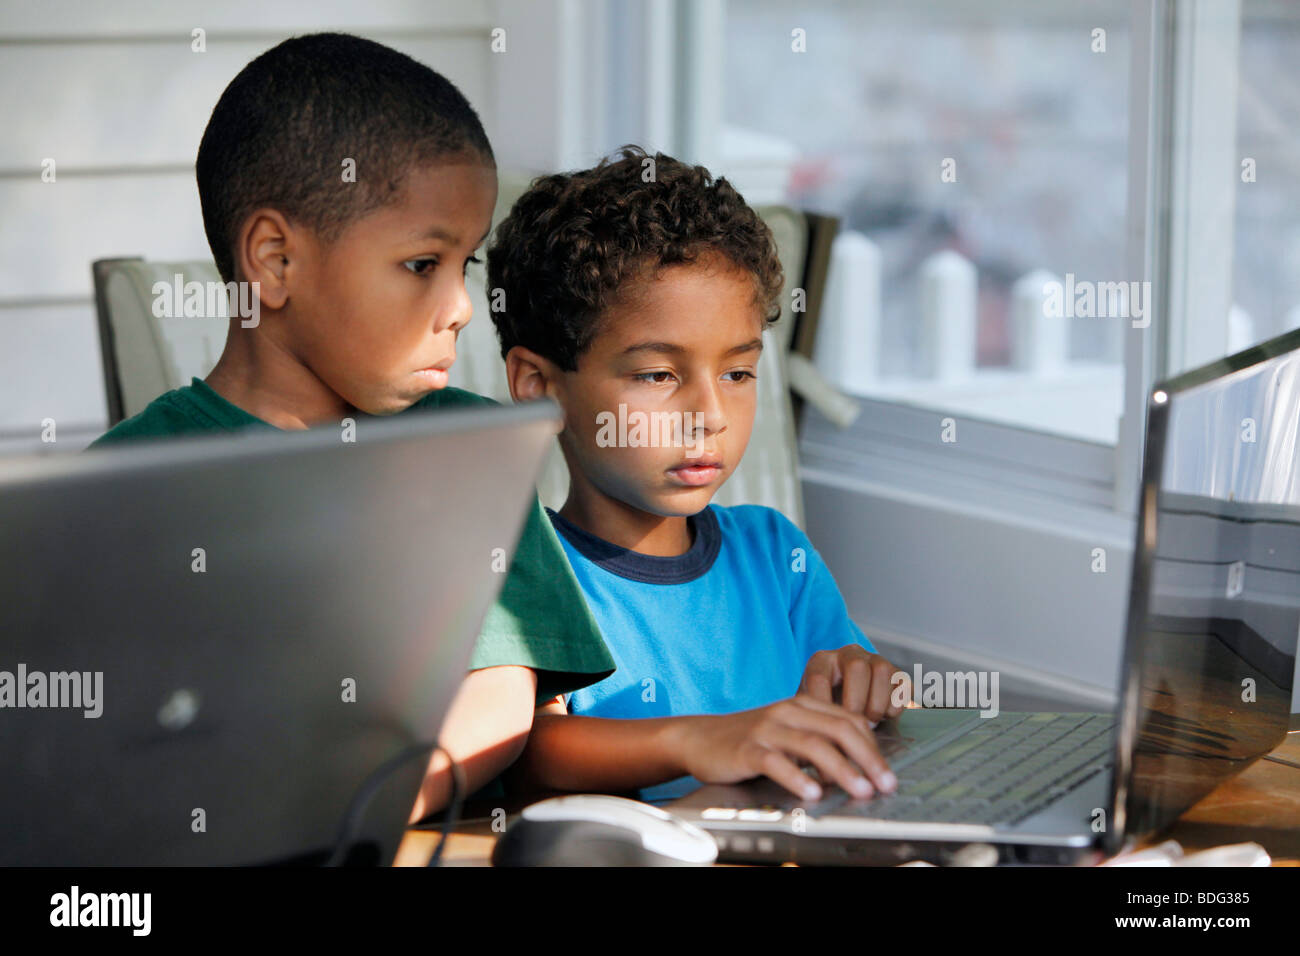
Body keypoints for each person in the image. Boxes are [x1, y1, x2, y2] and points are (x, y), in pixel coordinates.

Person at [90, 33, 614, 821]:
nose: (463, 306)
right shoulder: (121, 488)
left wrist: (352, 810)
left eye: (465, 264)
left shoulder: (472, 454)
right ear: (274, 261)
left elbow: (502, 701)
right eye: (421, 264)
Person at [487, 147, 909, 803]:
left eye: (737, 373)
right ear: (541, 386)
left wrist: (863, 681)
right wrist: (700, 740)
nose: (709, 415)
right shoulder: (524, 570)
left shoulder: (777, 554)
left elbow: (844, 698)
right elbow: (528, 756)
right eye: (658, 375)